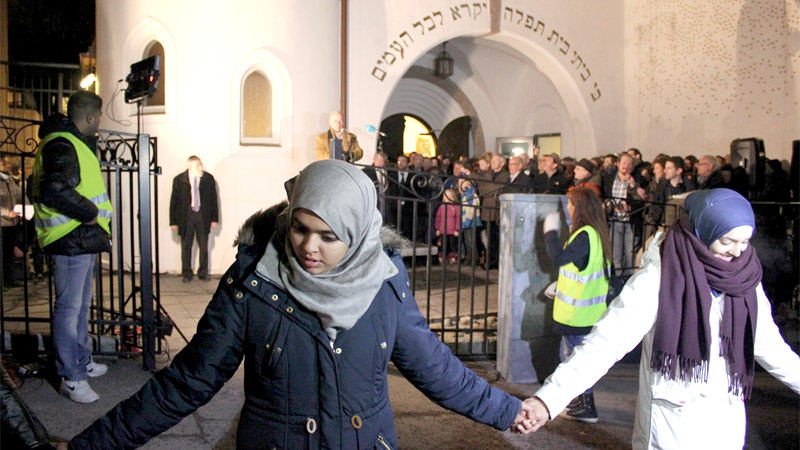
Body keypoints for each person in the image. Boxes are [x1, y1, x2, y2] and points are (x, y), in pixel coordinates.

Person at [68, 160, 534, 449]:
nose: (310, 247)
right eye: (299, 229)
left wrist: (509, 411)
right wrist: (91, 445)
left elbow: (437, 370)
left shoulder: (385, 283)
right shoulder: (252, 284)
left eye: (329, 236)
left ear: (355, 234)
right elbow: (185, 384)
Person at [526, 188, 800, 448]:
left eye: (745, 241)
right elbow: (606, 343)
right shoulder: (660, 277)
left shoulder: (745, 279)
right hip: (672, 428)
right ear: (702, 232)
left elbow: (770, 348)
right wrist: (548, 400)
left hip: (725, 426)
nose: (737, 251)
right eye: (726, 241)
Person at [32, 91, 111, 403]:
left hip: (79, 239)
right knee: (69, 309)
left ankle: (81, 363)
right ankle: (71, 377)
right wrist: (90, 213)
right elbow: (52, 188)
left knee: (78, 309)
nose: (100, 122)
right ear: (90, 117)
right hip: (70, 238)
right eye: (99, 116)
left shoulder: (70, 142)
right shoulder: (62, 143)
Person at [542, 187, 611, 423]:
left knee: (573, 361)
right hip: (586, 313)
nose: (568, 208)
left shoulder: (584, 235)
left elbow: (560, 258)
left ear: (580, 208)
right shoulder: (595, 234)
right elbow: (580, 270)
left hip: (576, 316)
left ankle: (586, 407)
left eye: (571, 204)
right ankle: (579, 403)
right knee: (575, 358)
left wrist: (549, 231)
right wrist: (558, 286)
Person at [169, 156, 219, 282]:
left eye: (201, 165)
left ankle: (203, 272)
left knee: (203, 245)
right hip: (186, 216)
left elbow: (214, 200)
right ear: (190, 166)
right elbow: (173, 201)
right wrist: (173, 221)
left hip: (203, 214)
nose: (200, 168)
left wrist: (214, 218)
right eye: (197, 166)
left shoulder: (208, 179)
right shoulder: (179, 180)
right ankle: (186, 272)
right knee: (186, 245)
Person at [1, 154, 23, 288]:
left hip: (12, 222)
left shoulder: (9, 180)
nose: (6, 164)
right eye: (3, 161)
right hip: (2, 223)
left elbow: (19, 195)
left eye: (7, 162)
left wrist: (25, 208)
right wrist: (6, 212)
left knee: (9, 253)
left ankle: (9, 279)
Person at [435, 188, 460, 264]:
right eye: (445, 196)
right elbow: (438, 218)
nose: (446, 198)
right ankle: (442, 257)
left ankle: (452, 257)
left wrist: (457, 229)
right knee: (443, 245)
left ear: (453, 197)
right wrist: (437, 228)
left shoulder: (456, 207)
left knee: (452, 245)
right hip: (443, 230)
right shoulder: (442, 207)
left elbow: (458, 219)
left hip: (452, 231)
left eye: (448, 196)